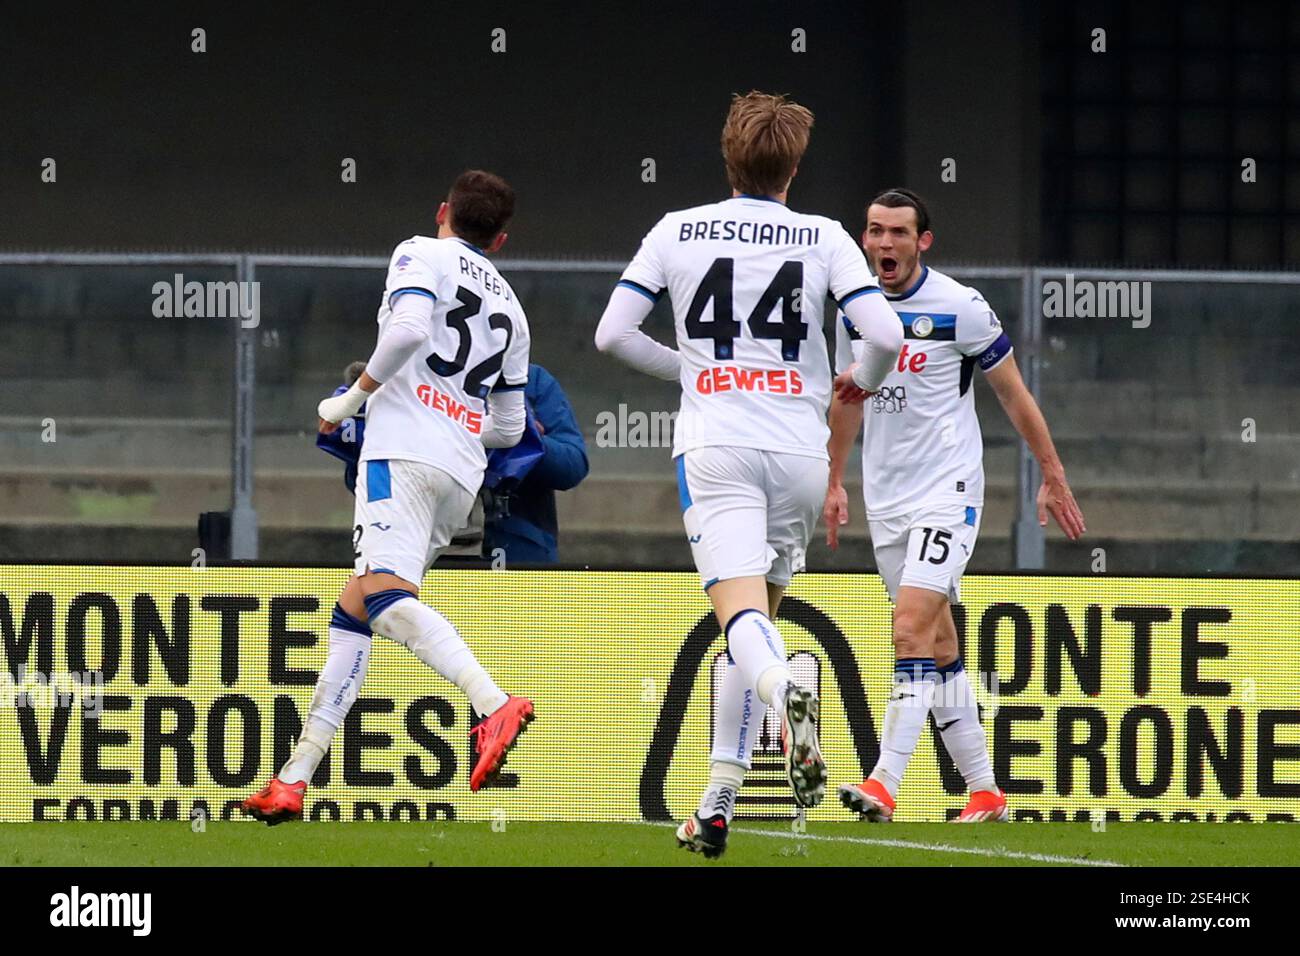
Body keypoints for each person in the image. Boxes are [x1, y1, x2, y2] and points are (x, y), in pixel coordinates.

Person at [595, 91, 903, 856]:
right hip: (801, 453)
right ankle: (718, 800)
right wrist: (857, 381)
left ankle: (785, 690)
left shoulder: (676, 229)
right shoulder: (826, 235)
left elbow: (612, 335)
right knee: (753, 621)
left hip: (718, 445)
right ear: (794, 165)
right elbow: (886, 334)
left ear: (727, 155)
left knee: (739, 623)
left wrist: (694, 373)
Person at [243, 169, 536, 824]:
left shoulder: (420, 252)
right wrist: (457, 425)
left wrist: (350, 399)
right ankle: (293, 778)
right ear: (500, 240)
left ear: (443, 212)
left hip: (401, 455)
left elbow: (405, 332)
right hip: (459, 476)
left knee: (385, 595)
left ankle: (494, 705)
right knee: (358, 608)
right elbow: (511, 429)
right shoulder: (513, 311)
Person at [826, 188, 1086, 823]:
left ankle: (885, 780)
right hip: (886, 498)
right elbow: (845, 399)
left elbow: (1014, 394)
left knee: (909, 628)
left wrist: (1051, 473)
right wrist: (834, 481)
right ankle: (986, 791)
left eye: (898, 233)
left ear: (924, 241)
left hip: (949, 491)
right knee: (938, 644)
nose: (884, 244)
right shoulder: (852, 312)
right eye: (874, 231)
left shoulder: (960, 308)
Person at [482, 364, 589, 563]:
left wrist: (526, 437)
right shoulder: (419, 372)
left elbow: (573, 465)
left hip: (517, 544)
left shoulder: (531, 378)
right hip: (428, 538)